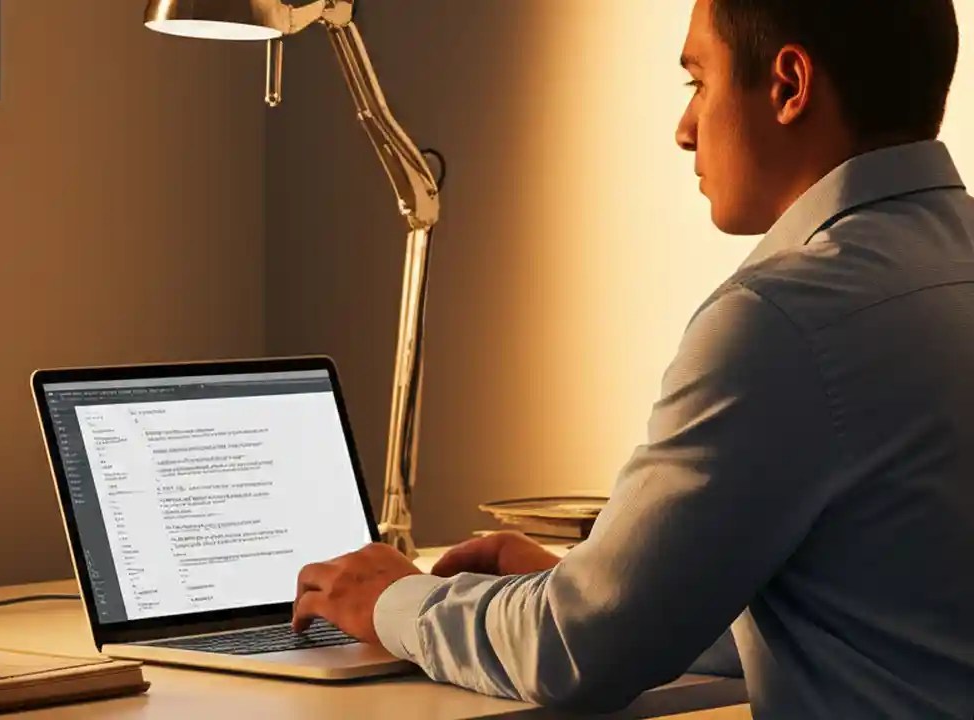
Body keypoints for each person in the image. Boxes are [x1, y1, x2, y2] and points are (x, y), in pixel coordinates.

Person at [291, 0, 974, 717]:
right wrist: (623, 588)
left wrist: (396, 600)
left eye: (697, 83)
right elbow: (879, 619)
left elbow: (576, 652)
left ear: (788, 86)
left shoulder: (784, 319)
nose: (685, 131)